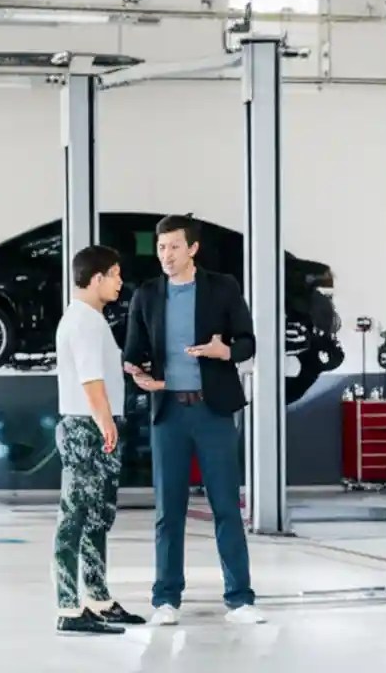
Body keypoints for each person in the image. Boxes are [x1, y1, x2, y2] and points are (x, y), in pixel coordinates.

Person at [124, 214, 266, 625]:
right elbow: (134, 352)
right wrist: (138, 372)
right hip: (169, 412)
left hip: (213, 410)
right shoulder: (147, 295)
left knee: (225, 505)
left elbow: (247, 342)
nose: (165, 255)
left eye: (173, 247)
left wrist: (227, 352)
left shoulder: (222, 287)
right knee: (169, 510)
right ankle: (165, 599)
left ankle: (240, 599)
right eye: (161, 247)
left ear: (193, 249)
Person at [53, 244, 146, 635]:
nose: (120, 282)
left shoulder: (88, 319)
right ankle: (69, 608)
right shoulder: (86, 321)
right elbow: (90, 380)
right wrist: (106, 422)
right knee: (74, 517)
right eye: (116, 275)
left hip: (93, 424)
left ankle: (98, 598)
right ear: (97, 278)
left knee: (96, 517)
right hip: (87, 428)